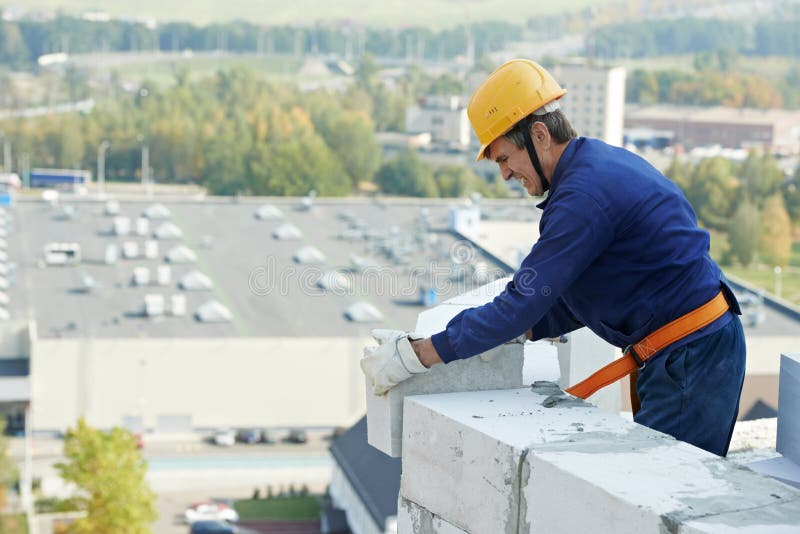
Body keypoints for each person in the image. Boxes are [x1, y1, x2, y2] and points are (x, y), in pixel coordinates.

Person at [361, 59, 746, 457]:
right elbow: (589, 291)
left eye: (505, 158)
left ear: (540, 135)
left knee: (662, 497)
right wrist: (519, 330)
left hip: (692, 356)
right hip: (688, 350)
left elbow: (522, 301)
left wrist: (416, 355)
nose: (506, 174)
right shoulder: (592, 169)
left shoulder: (583, 197)